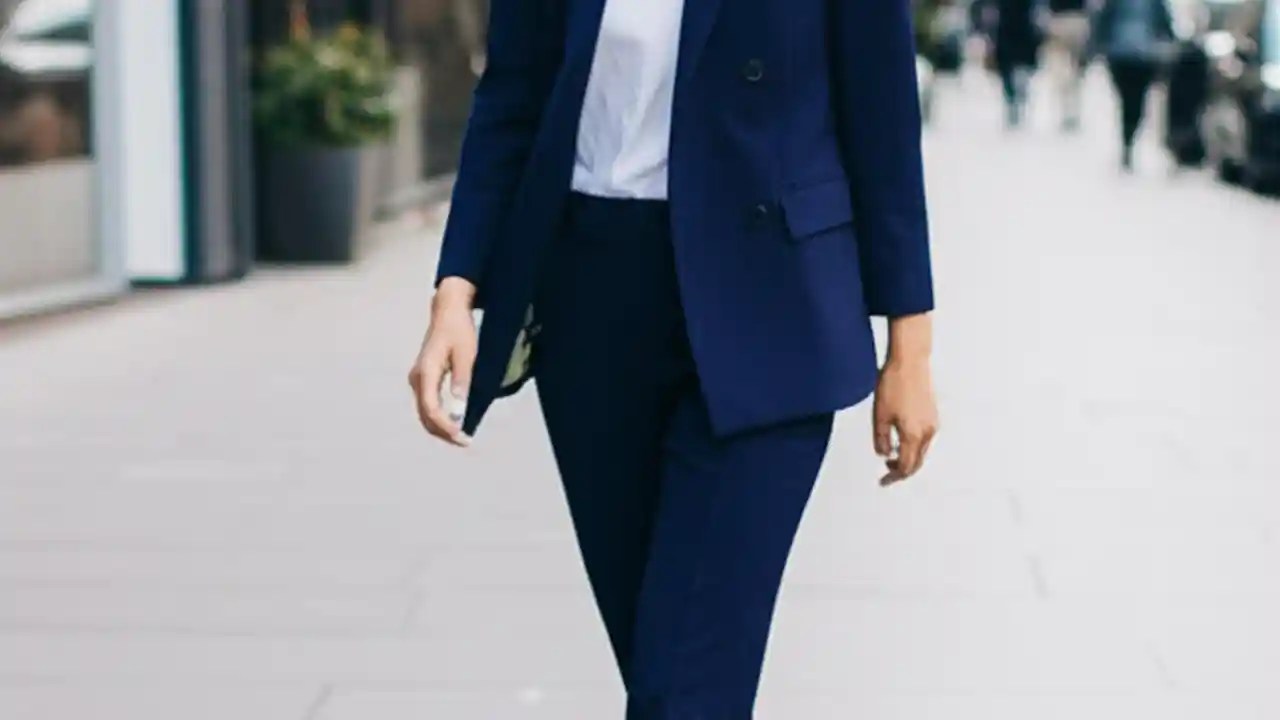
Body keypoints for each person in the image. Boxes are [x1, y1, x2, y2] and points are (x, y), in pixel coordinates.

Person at [408, 0, 939, 716]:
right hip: (591, 304)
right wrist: (455, 291)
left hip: (768, 308)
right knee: (663, 672)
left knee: (684, 689)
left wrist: (910, 348)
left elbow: (882, 119)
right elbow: (513, 94)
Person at [1093, 0, 1176, 170]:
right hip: (1129, 55)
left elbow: (1103, 22)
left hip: (1135, 56)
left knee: (1132, 102)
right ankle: (1128, 139)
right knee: (1132, 101)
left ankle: (1127, 140)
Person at [990, 0, 1043, 128]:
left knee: (1009, 70)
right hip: (1021, 29)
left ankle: (1013, 99)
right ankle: (1017, 96)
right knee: (1017, 68)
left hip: (1009, 29)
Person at [1045, 0, 1094, 130]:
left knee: (1061, 68)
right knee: (1076, 70)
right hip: (1079, 21)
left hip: (1058, 21)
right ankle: (1073, 108)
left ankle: (1066, 107)